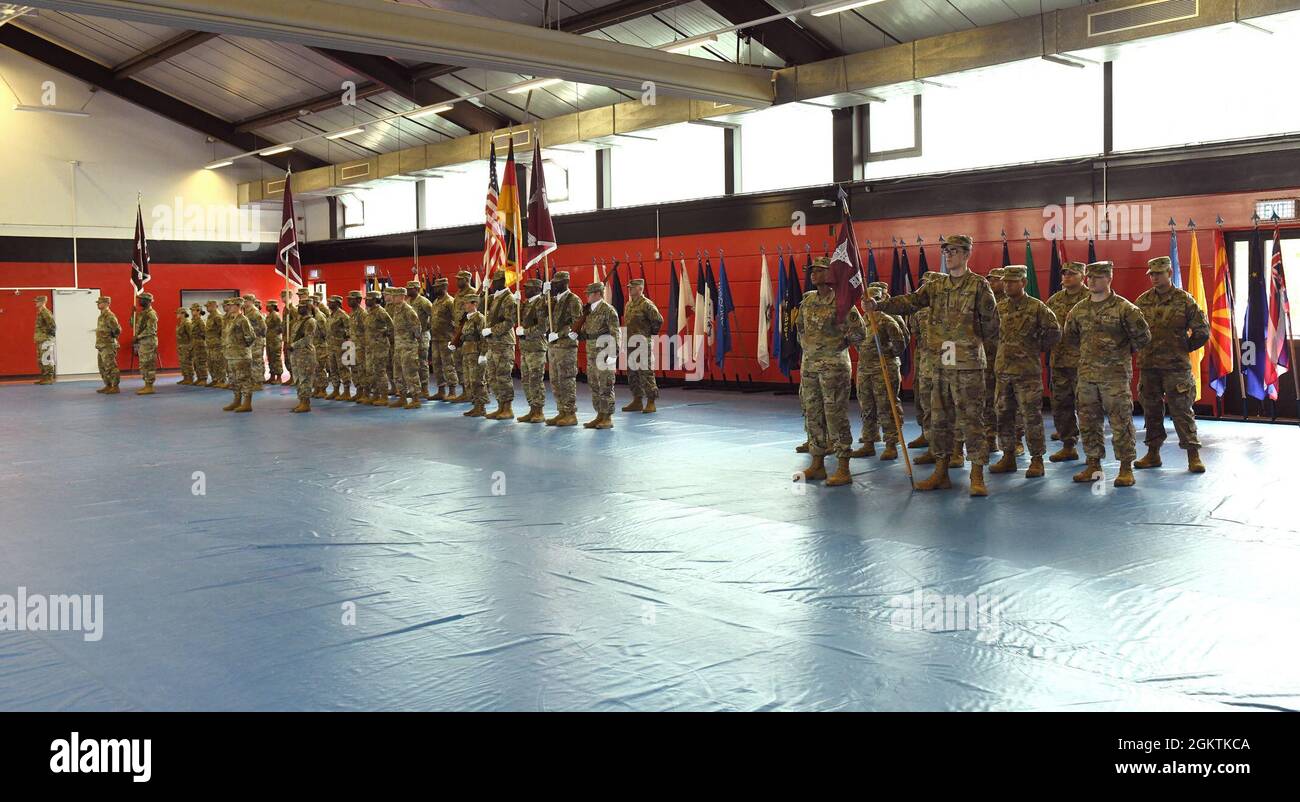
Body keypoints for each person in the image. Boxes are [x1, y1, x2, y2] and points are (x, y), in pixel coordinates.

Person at [870, 235, 999, 496]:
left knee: (972, 420)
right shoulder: (937, 286)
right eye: (946, 251)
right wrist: (879, 305)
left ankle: (977, 475)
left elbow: (992, 325)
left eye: (953, 251)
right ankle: (941, 472)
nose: (948, 255)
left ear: (966, 254)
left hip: (968, 365)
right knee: (940, 420)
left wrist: (972, 346)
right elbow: (910, 302)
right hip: (942, 363)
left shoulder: (978, 286)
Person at [1061, 261, 1152, 487]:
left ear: (1109, 279)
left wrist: (1119, 353)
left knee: (1121, 422)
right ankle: (1093, 465)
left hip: (1115, 377)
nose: (1092, 281)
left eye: (1098, 278)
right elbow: (1071, 337)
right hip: (1087, 376)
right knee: (1088, 422)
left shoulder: (1125, 309)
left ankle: (1125, 468)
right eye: (1090, 278)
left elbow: (1143, 337)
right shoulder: (1079, 309)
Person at [1134, 256, 1211, 473]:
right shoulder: (1142, 301)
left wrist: (1182, 347)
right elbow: (1135, 331)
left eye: (1159, 274)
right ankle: (1153, 453)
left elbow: (1202, 331)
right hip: (1149, 366)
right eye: (1152, 274)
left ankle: (1193, 455)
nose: (1155, 278)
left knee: (1181, 410)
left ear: (1169, 273)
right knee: (1151, 410)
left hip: (1176, 367)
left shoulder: (1185, 300)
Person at [797, 257, 867, 486]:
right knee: (813, 413)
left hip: (834, 368)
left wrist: (837, 345)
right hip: (810, 366)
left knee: (835, 415)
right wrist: (811, 349)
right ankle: (817, 463)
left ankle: (843, 466)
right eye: (812, 270)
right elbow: (800, 329)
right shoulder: (807, 301)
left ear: (831, 274)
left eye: (819, 270)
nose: (813, 273)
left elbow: (860, 333)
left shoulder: (842, 301)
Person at [988, 265, 1060, 478]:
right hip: (1003, 372)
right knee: (1003, 416)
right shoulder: (999, 308)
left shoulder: (1037, 307)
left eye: (1012, 281)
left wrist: (1036, 348)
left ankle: (1037, 460)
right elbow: (990, 334)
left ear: (1023, 282)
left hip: (1027, 373)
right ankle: (1008, 455)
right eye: (1005, 281)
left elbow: (1054, 332)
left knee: (1031, 418)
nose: (1007, 284)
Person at [853, 285, 906, 461]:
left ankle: (891, 444)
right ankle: (868, 442)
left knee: (886, 406)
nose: (865, 303)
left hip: (883, 369)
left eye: (870, 300)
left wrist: (887, 354)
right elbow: (856, 342)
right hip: (865, 369)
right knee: (867, 407)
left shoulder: (886, 320)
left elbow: (900, 345)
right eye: (863, 300)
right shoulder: (861, 320)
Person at [1045, 261, 1089, 462]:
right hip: (1060, 362)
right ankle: (1068, 445)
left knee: (1088, 408)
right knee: (1061, 406)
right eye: (1064, 273)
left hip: (1085, 365)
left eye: (1072, 273)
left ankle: (1092, 452)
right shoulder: (1054, 301)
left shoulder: (1091, 298)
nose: (1066, 277)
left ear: (1083, 276)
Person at [578, 281, 620, 429]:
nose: (587, 296)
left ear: (597, 294)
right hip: (591, 352)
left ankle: (607, 417)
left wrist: (613, 353)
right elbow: (587, 332)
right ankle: (599, 415)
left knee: (606, 385)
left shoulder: (608, 310)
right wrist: (575, 334)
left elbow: (615, 332)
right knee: (594, 385)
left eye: (589, 294)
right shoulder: (588, 311)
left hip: (604, 352)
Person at [544, 271, 583, 427]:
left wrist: (559, 334)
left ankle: (570, 414)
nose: (553, 285)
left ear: (564, 282)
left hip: (566, 347)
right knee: (555, 381)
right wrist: (543, 294)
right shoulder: (553, 300)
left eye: (555, 283)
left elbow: (577, 324)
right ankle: (561, 412)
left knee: (566, 380)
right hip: (553, 347)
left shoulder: (573, 300)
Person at [482, 268, 519, 421]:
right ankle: (499, 406)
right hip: (493, 343)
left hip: (503, 343)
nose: (492, 283)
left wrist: (491, 330)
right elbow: (478, 308)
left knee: (503, 376)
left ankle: (507, 408)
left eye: (495, 281)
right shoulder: (494, 298)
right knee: (492, 376)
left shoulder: (509, 299)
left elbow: (509, 322)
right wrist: (481, 290)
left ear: (503, 282)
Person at [622, 277, 664, 413]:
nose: (629, 289)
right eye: (629, 288)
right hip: (630, 343)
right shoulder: (629, 305)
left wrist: (649, 334)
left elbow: (658, 320)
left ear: (640, 288)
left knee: (645, 373)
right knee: (632, 373)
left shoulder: (646, 304)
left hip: (642, 343)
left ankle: (651, 401)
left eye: (632, 288)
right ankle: (637, 400)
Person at [516, 277, 549, 423]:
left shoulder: (541, 303)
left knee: (535, 379)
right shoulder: (526, 304)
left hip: (536, 347)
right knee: (526, 380)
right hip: (525, 347)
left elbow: (543, 327)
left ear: (537, 289)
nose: (525, 290)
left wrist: (526, 332)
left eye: (528, 288)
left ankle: (539, 411)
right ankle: (532, 408)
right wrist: (514, 302)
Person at [455, 295, 489, 417]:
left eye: (467, 303)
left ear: (474, 304)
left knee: (477, 380)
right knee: (469, 381)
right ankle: (475, 405)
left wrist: (483, 353)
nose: (465, 305)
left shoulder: (479, 318)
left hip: (475, 353)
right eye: (464, 303)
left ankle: (481, 406)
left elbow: (484, 337)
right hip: (466, 352)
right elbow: (464, 336)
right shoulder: (467, 319)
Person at [221, 297, 255, 412]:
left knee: (244, 379)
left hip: (241, 355)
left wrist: (241, 347)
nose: (229, 307)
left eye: (232, 305)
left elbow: (251, 337)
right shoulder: (230, 319)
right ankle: (237, 400)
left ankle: (247, 403)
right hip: (230, 355)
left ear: (238, 306)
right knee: (234, 379)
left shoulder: (243, 320)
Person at [390, 287, 423, 409]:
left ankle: (415, 399)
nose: (392, 298)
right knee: (397, 373)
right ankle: (402, 398)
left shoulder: (408, 310)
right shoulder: (396, 309)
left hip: (408, 347)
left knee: (410, 373)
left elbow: (417, 328)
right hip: (399, 347)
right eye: (392, 296)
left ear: (402, 296)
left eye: (395, 296)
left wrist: (413, 343)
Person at [448, 271, 476, 401]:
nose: (457, 282)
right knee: (458, 363)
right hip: (458, 332)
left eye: (460, 279)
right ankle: (465, 391)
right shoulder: (457, 294)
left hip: (470, 334)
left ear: (467, 279)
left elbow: (477, 314)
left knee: (471, 365)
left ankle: (474, 393)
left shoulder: (473, 293)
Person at [428, 278, 458, 401]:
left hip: (446, 338)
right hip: (435, 339)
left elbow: (456, 320)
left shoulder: (450, 302)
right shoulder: (435, 302)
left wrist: (455, 338)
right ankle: (441, 390)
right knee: (436, 365)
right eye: (435, 287)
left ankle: (452, 391)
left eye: (437, 287)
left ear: (444, 287)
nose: (435, 289)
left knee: (448, 365)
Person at [288, 292, 318, 413]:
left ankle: (306, 403)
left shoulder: (310, 321)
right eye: (299, 306)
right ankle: (301, 401)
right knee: (298, 378)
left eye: (303, 307)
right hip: (296, 354)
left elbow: (308, 339)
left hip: (305, 354)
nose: (299, 308)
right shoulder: (298, 321)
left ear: (309, 308)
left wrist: (293, 345)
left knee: (305, 379)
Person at [407, 280, 434, 400]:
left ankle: (425, 389)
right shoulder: (407, 302)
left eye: (410, 288)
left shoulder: (423, 301)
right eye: (407, 288)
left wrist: (428, 325)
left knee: (422, 363)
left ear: (417, 289)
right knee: (413, 364)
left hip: (422, 336)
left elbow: (433, 314)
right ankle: (416, 388)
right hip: (411, 338)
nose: (408, 290)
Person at [364, 289, 393, 406]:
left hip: (380, 346)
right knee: (371, 371)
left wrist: (384, 334)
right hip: (370, 346)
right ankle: (375, 394)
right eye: (366, 299)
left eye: (369, 299)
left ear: (376, 300)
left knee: (380, 371)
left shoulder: (381, 311)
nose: (366, 301)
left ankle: (384, 396)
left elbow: (391, 325)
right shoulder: (370, 312)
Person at [326, 295, 352, 400]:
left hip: (342, 347)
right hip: (331, 347)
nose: (329, 304)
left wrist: (347, 341)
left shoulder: (343, 315)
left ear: (337, 303)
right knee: (333, 369)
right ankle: (336, 390)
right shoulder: (331, 315)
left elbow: (350, 329)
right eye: (329, 302)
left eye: (332, 302)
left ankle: (346, 391)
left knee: (343, 368)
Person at [345, 291, 369, 404]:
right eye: (348, 299)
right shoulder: (352, 313)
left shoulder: (362, 314)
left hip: (361, 346)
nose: (349, 301)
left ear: (359, 300)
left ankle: (366, 392)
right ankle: (359, 391)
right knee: (354, 369)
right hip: (352, 345)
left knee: (362, 370)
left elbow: (367, 331)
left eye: (352, 299)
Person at [94, 296, 121, 394]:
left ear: (106, 303)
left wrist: (111, 339)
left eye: (100, 303)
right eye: (98, 303)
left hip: (108, 345)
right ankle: (108, 385)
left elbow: (117, 330)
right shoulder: (101, 316)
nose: (98, 304)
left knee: (111, 366)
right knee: (102, 367)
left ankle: (115, 386)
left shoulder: (109, 316)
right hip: (101, 345)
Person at [134, 292, 159, 395]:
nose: (139, 301)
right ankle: (147, 385)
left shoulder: (151, 314)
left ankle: (149, 386)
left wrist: (138, 337)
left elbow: (151, 330)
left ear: (148, 301)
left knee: (148, 364)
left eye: (142, 299)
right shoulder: (142, 313)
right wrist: (133, 314)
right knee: (143, 364)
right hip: (143, 342)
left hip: (148, 341)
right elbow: (135, 325)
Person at [32, 295, 56, 384]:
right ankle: (44, 377)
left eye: (37, 301)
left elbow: (52, 326)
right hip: (41, 339)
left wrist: (48, 338)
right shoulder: (41, 312)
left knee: (46, 358)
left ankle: (49, 378)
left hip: (46, 339)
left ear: (42, 302)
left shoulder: (45, 312)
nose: (36, 303)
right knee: (41, 359)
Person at [244, 294, 266, 390]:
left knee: (257, 361)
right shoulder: (247, 312)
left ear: (251, 301)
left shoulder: (255, 312)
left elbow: (264, 327)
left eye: (246, 301)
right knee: (252, 361)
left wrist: (258, 336)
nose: (244, 303)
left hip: (257, 340)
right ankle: (254, 381)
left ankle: (258, 383)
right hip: (251, 341)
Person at [205, 299, 226, 389]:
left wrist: (221, 343)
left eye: (208, 306)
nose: (207, 308)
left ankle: (221, 380)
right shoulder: (210, 317)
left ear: (214, 306)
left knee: (219, 362)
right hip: (210, 345)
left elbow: (223, 331)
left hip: (217, 345)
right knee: (211, 363)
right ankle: (215, 379)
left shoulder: (218, 317)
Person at [264, 299, 283, 385]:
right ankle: (272, 376)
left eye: (268, 305)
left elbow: (280, 327)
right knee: (270, 358)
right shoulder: (270, 315)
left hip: (275, 340)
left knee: (276, 358)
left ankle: (279, 377)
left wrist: (275, 335)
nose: (267, 307)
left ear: (273, 306)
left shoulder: (275, 315)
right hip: (269, 340)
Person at [190, 303, 209, 385]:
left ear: (198, 311)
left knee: (201, 362)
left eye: (193, 310)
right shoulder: (193, 321)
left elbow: (205, 333)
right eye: (191, 310)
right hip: (194, 343)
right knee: (196, 362)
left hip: (200, 344)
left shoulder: (200, 321)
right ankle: (199, 378)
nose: (192, 312)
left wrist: (201, 341)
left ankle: (204, 379)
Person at [175, 306, 195, 385]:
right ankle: (185, 377)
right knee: (183, 363)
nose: (177, 314)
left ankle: (190, 378)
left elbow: (191, 335)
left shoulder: (187, 323)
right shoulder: (181, 323)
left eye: (178, 313)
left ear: (183, 313)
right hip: (181, 346)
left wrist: (190, 347)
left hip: (186, 346)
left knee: (187, 363)